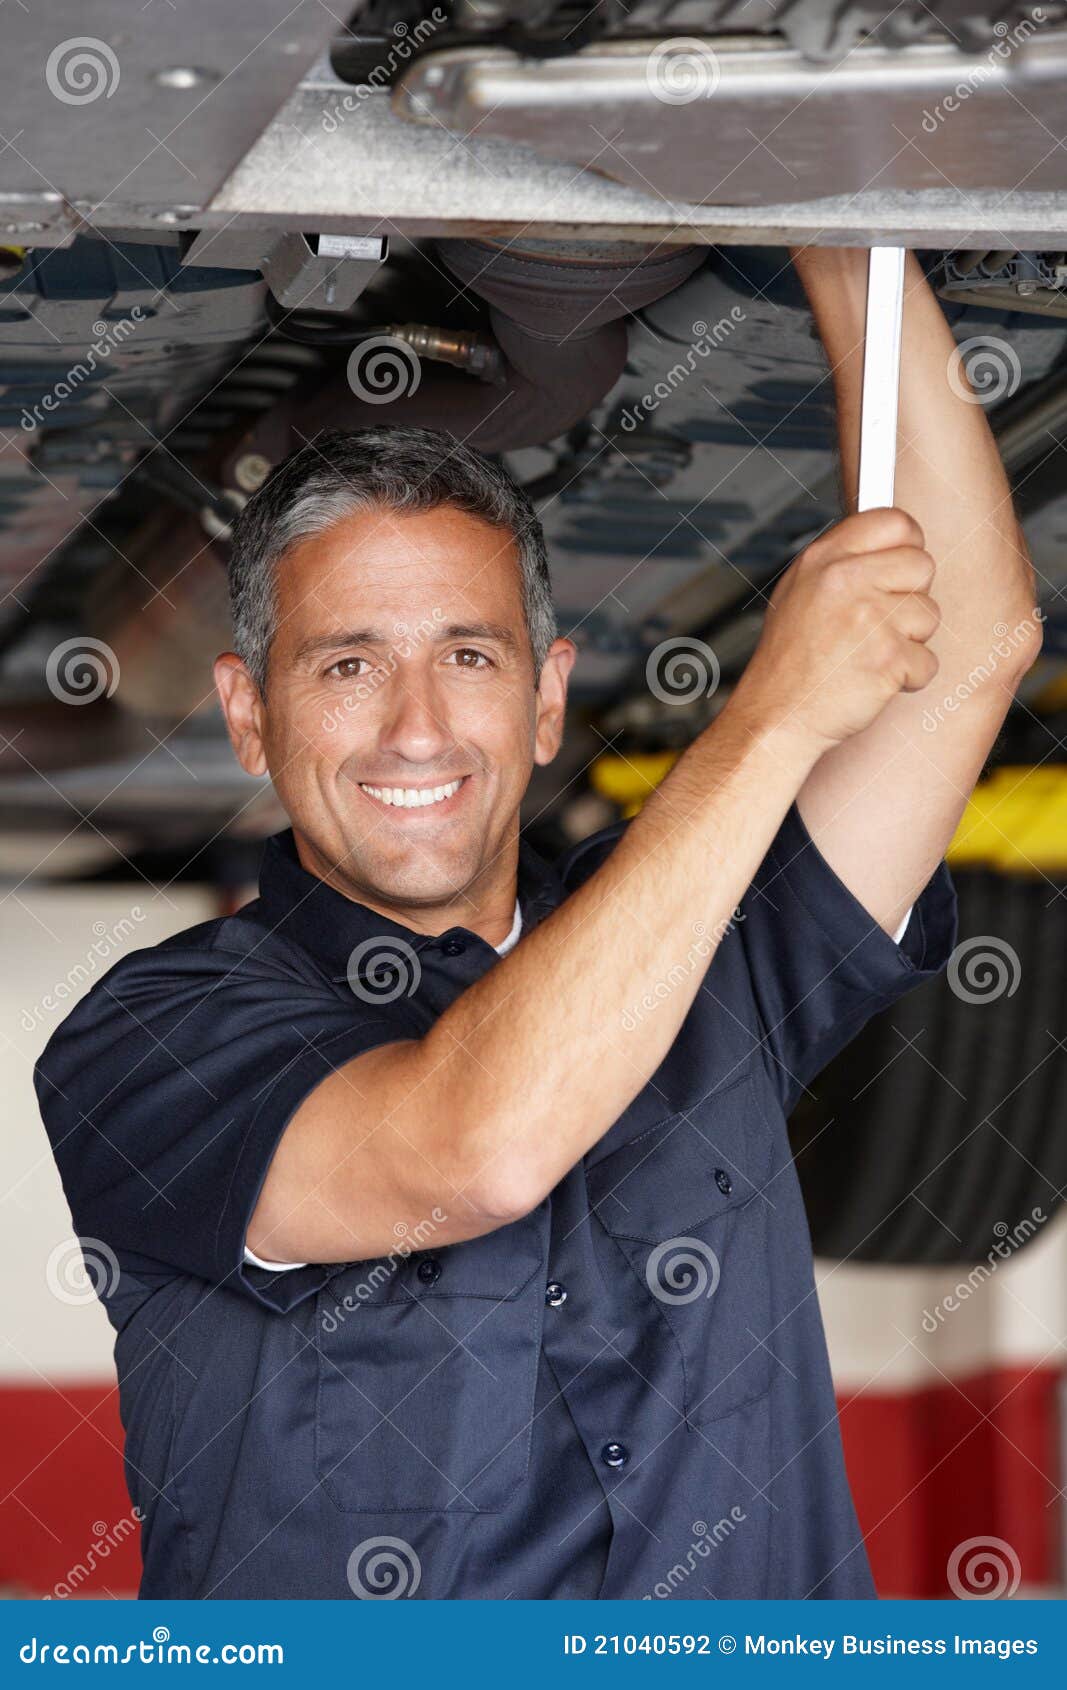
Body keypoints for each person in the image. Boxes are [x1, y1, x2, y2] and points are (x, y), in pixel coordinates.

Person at [36, 249, 1038, 1599]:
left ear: (547, 698)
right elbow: (482, 1145)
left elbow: (971, 644)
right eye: (349, 664)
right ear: (247, 714)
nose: (418, 726)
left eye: (469, 655)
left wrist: (851, 231)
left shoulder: (709, 935)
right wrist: (768, 718)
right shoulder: (149, 1043)